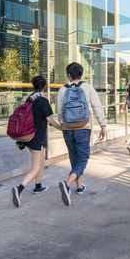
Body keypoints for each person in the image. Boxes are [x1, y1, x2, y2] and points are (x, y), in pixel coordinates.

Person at [56, 62, 106, 206]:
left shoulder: (62, 90)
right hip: (83, 127)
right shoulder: (87, 87)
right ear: (81, 74)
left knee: (74, 157)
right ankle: (67, 184)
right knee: (83, 158)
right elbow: (97, 107)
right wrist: (102, 125)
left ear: (69, 75)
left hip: (67, 129)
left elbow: (60, 111)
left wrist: (63, 123)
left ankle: (79, 186)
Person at [11, 75, 62, 208]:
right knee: (36, 167)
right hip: (36, 138)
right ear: (45, 86)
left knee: (39, 163)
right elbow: (50, 120)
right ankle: (19, 189)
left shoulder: (30, 98)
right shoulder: (42, 100)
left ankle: (38, 186)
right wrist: (62, 128)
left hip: (28, 136)